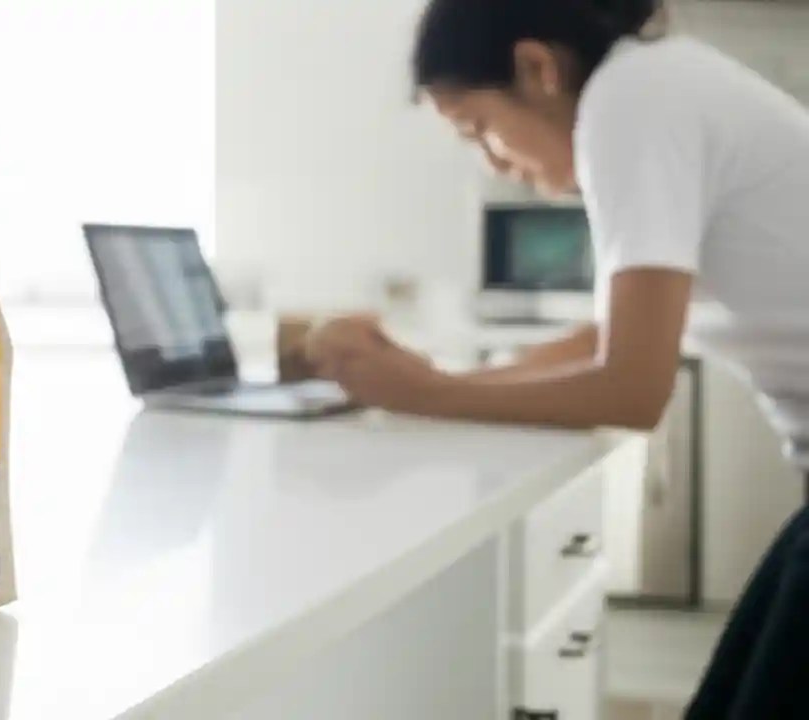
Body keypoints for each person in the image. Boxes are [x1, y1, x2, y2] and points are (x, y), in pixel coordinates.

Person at [304, 0, 809, 716]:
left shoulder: (631, 100)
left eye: (478, 129)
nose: (494, 163)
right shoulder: (658, 82)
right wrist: (435, 382)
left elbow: (631, 389)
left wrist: (421, 393)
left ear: (536, 68)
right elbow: (606, 344)